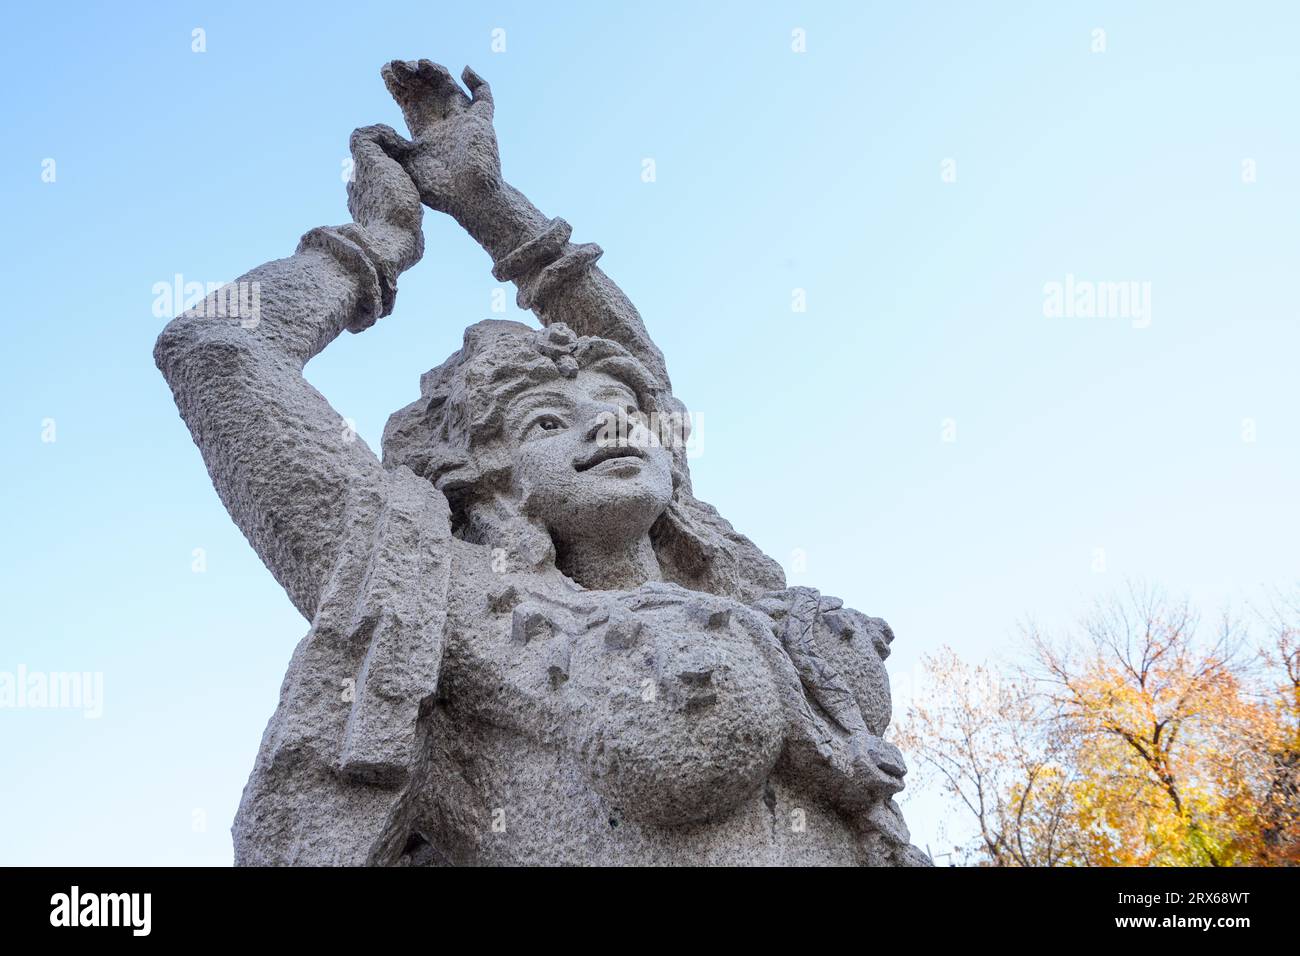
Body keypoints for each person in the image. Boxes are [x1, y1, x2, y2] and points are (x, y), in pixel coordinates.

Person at [155, 59, 926, 866]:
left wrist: (489, 203)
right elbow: (217, 352)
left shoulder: (729, 579)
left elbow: (639, 365)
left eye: (619, 411)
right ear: (492, 477)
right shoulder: (439, 592)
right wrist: (379, 243)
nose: (608, 430)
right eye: (551, 421)